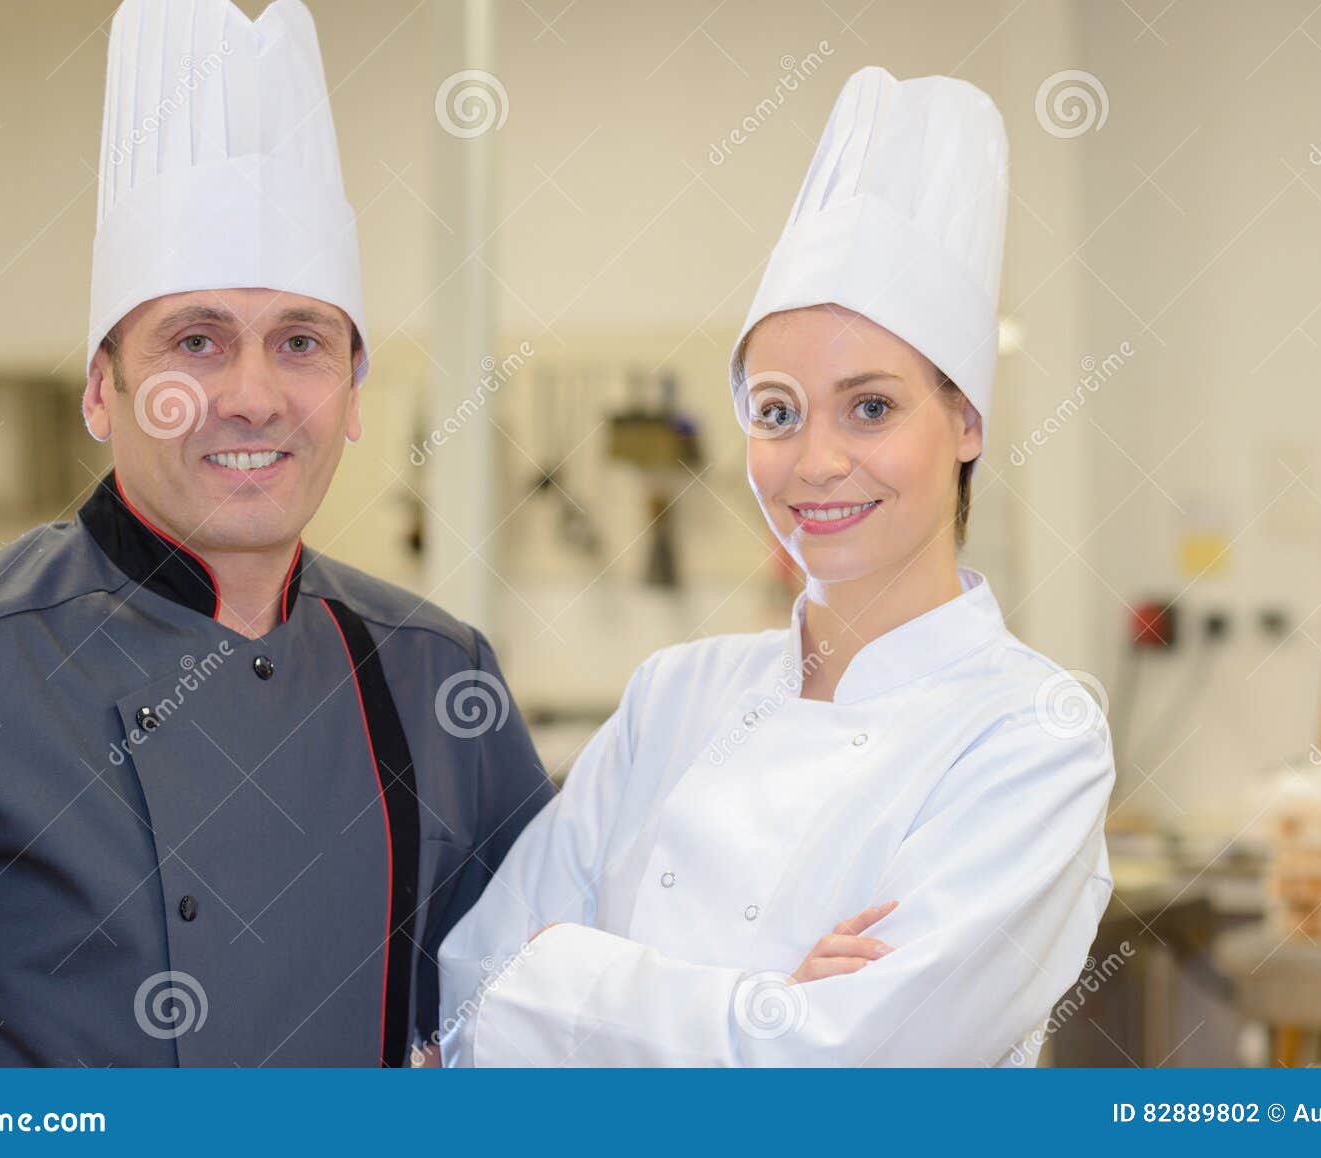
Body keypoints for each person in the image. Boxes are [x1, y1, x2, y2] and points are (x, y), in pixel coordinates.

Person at [0, 0, 550, 1066]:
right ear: (100, 393)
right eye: (195, 341)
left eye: (300, 341)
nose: (252, 397)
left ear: (351, 392)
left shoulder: (439, 674)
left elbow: (548, 1007)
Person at [436, 66, 1116, 1067]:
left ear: (965, 420)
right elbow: (471, 997)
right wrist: (767, 1001)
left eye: (871, 407)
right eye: (776, 412)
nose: (816, 461)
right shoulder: (675, 694)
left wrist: (571, 977)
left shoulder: (1031, 734)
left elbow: (850, 1074)